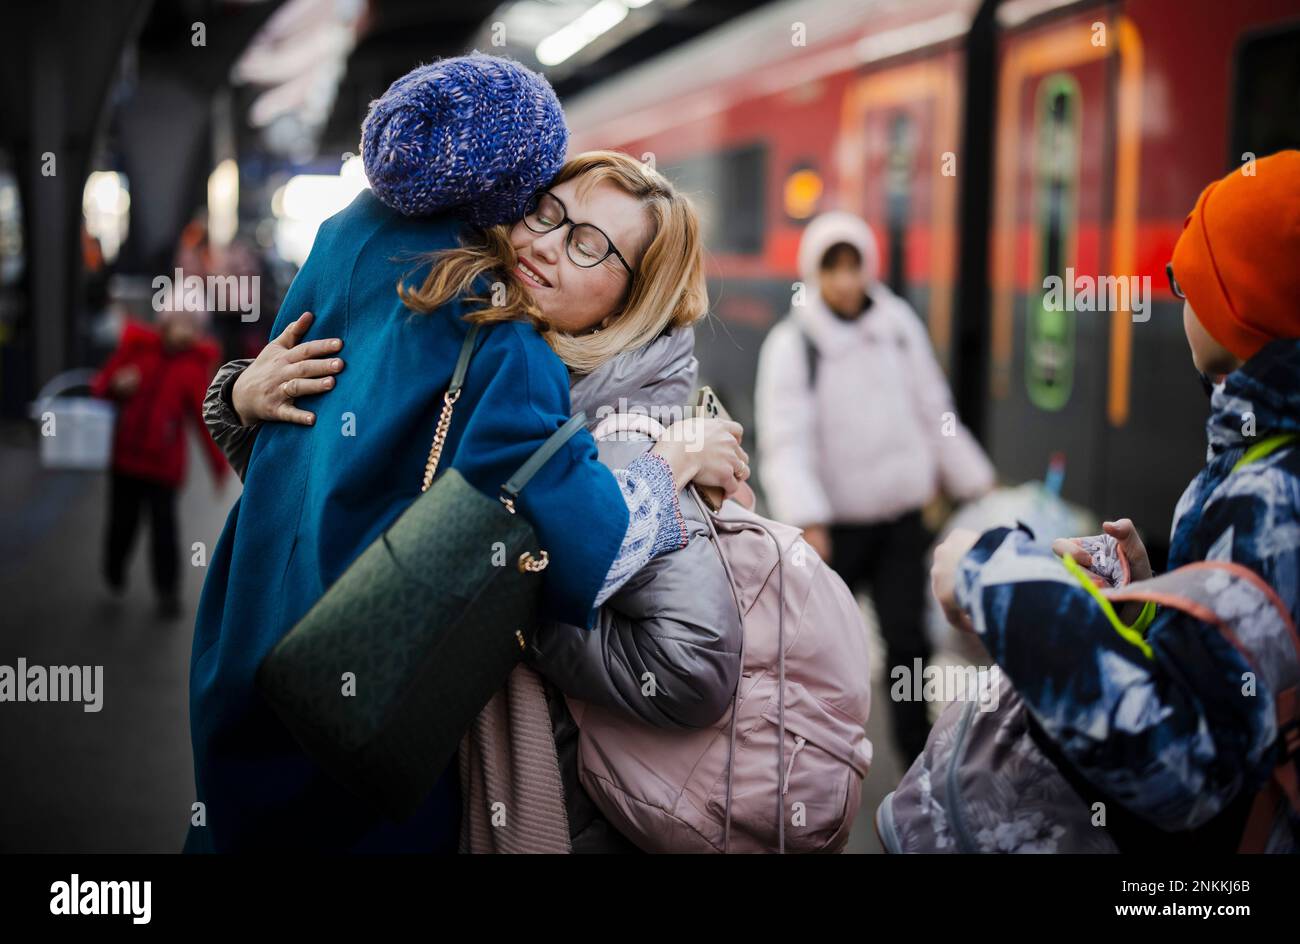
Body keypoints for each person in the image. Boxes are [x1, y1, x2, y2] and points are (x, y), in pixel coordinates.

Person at [186, 145, 748, 853]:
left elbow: (694, 662)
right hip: (390, 769)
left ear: (629, 303)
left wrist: (472, 614)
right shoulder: (475, 337)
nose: (544, 245)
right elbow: (336, 496)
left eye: (588, 246)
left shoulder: (634, 436)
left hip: (509, 799)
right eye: (546, 213)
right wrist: (239, 397)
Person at [929, 149, 1300, 851]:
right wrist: (1168, 597)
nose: (1179, 300)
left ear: (1237, 306)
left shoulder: (1271, 492)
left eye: (1189, 284)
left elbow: (1177, 761)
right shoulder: (1268, 459)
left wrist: (988, 572)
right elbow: (1253, 665)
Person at [754, 210, 993, 763]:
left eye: (852, 266)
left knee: (908, 646)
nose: (843, 280)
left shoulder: (898, 328)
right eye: (831, 268)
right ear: (815, 273)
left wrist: (974, 481)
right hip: (834, 531)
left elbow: (936, 409)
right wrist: (807, 517)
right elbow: (785, 441)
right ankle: (813, 764)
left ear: (868, 268)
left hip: (900, 524)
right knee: (821, 652)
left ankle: (918, 768)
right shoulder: (794, 345)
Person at [90, 307, 229, 618]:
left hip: (164, 468)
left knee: (164, 532)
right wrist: (115, 386)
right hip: (125, 459)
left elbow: (205, 422)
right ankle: (114, 570)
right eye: (181, 321)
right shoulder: (137, 349)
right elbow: (100, 387)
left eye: (194, 326)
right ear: (165, 321)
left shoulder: (194, 368)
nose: (187, 330)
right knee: (121, 524)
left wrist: (219, 468)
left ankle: (168, 592)